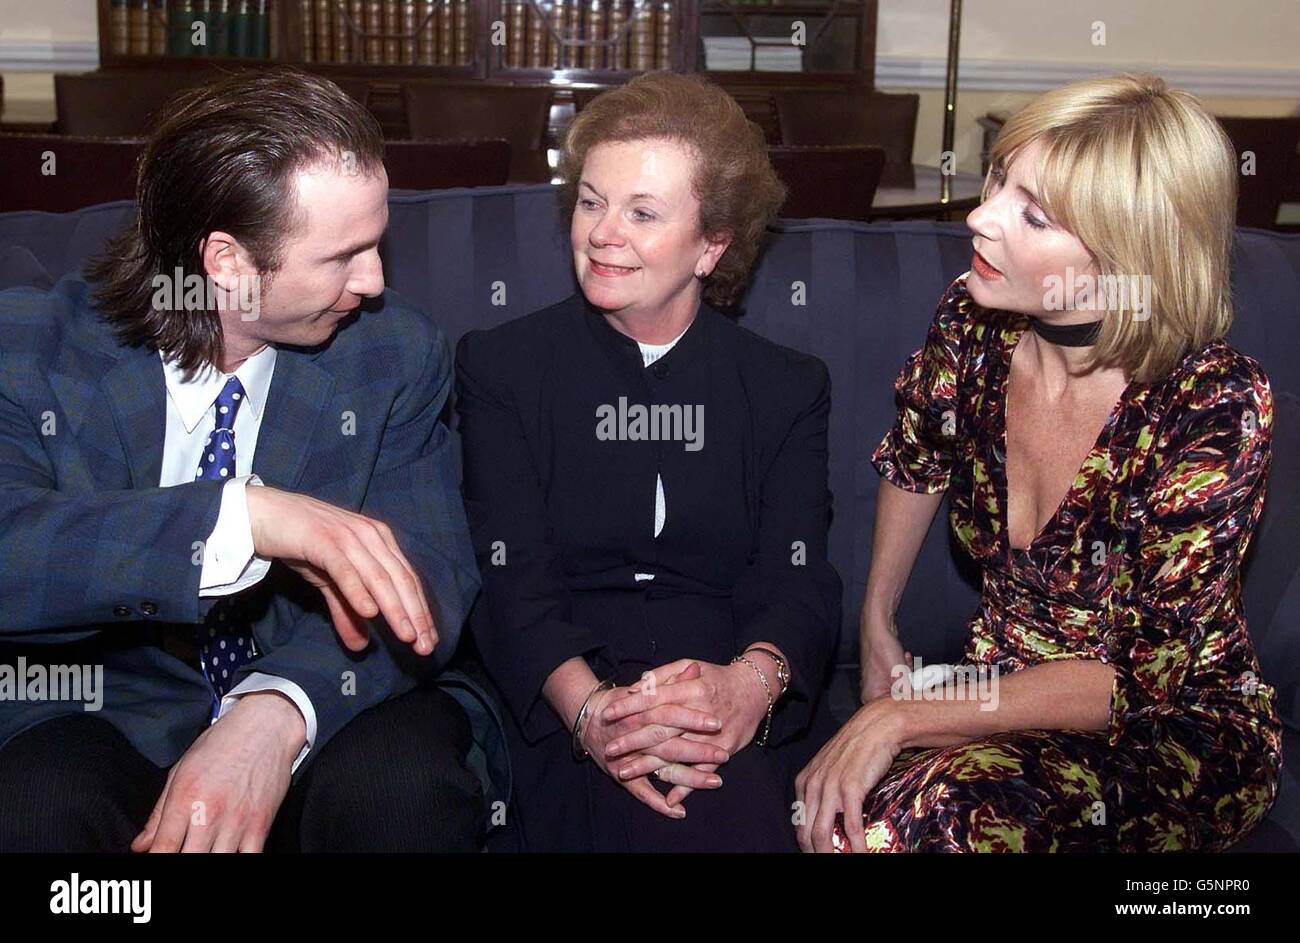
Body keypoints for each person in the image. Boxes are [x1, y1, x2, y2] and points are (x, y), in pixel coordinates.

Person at [0, 69, 484, 852]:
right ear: (224, 261)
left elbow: (428, 577)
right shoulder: (31, 348)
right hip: (101, 707)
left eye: (376, 240)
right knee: (34, 807)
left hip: (326, 698)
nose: (375, 279)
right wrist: (244, 518)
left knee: (402, 794)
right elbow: (12, 547)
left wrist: (277, 709)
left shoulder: (393, 354)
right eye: (344, 255)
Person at [797, 73, 1283, 852]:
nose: (979, 218)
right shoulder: (975, 318)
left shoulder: (1214, 404)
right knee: (835, 812)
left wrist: (901, 714)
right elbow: (918, 457)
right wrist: (877, 620)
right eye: (998, 180)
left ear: (1131, 251)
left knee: (912, 825)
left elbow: (1134, 679)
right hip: (992, 691)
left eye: (1034, 214)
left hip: (1166, 731)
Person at [456, 71, 842, 852]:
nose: (603, 232)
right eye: (592, 201)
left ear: (713, 245)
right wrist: (598, 713)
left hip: (725, 696)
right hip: (565, 693)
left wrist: (748, 686)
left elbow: (798, 574)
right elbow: (509, 578)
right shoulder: (503, 368)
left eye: (642, 213)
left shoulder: (785, 387)